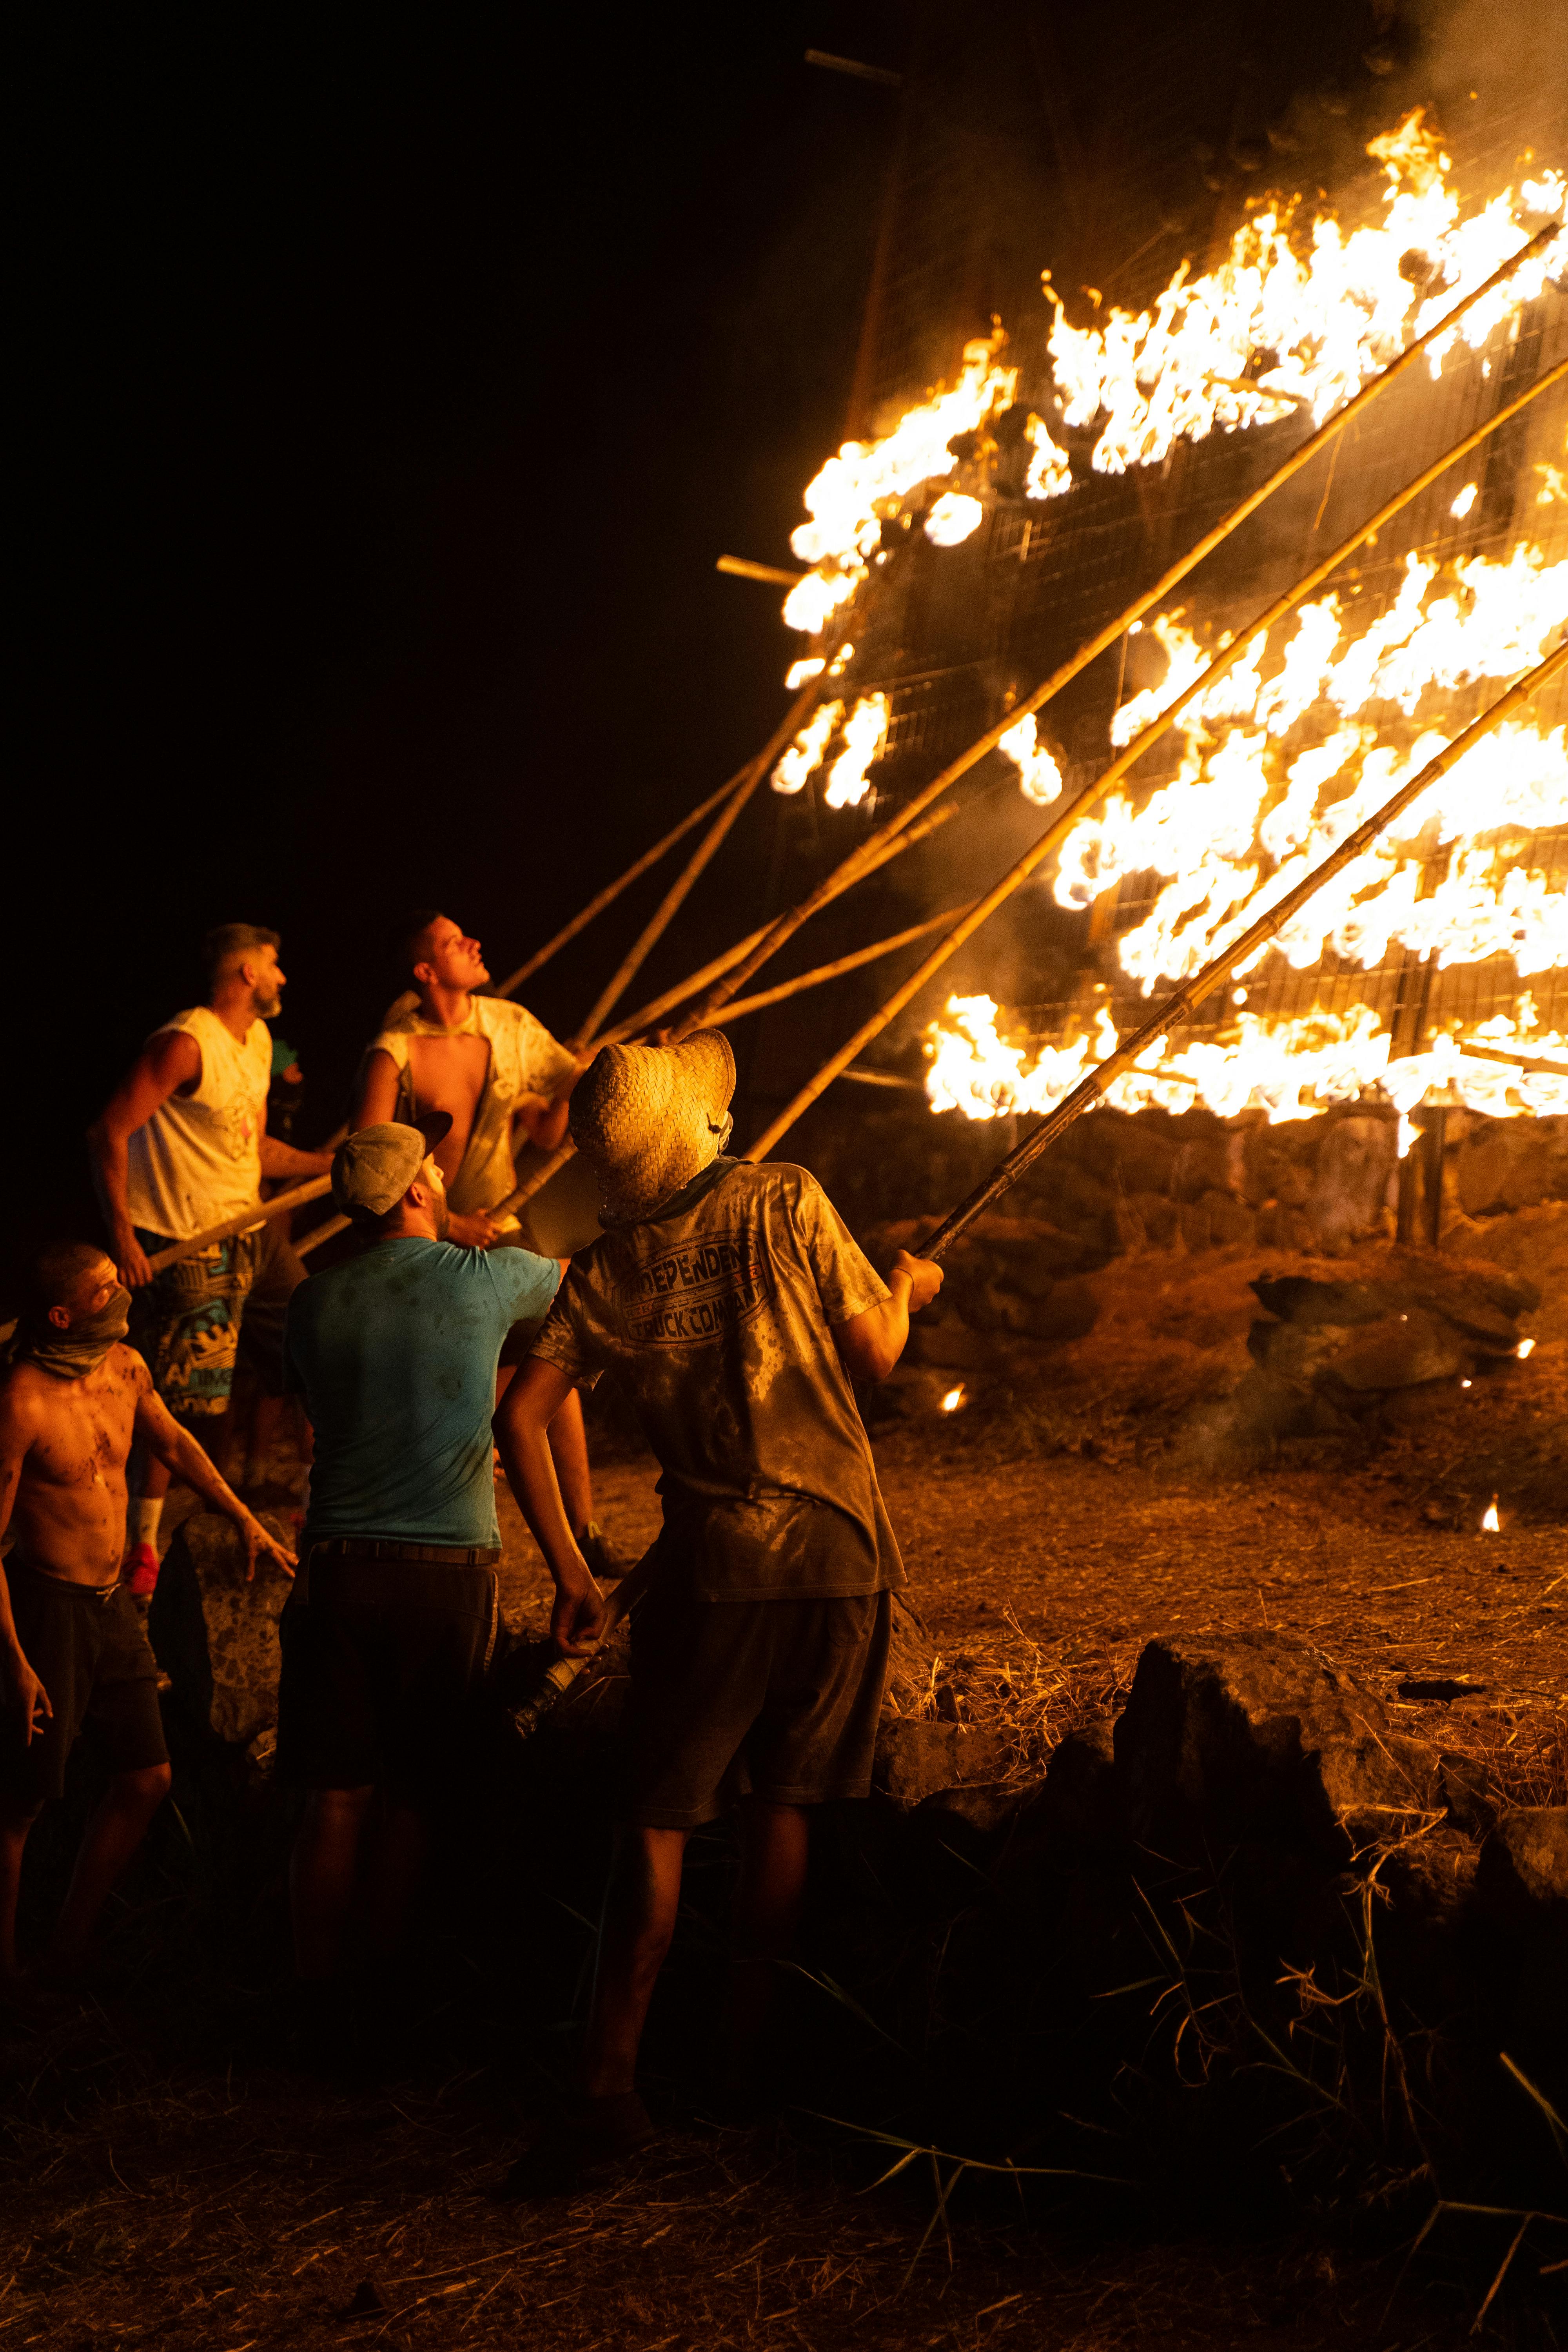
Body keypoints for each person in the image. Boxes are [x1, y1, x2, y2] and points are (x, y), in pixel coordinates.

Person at [493, 1031, 943, 2190]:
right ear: (699, 1124)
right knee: (784, 1809)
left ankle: (610, 2084)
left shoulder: (609, 1267)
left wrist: (574, 1576)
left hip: (710, 1572)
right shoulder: (784, 1200)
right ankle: (741, 2074)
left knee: (661, 1821)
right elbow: (877, 1357)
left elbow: (519, 1419)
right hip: (836, 1555)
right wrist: (908, 1286)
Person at [276, 1114, 562, 2067]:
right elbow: (585, 1291)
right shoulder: (488, 1279)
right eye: (433, 1169)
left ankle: (313, 2002)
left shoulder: (315, 1304)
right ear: (414, 1192)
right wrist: (490, 1243)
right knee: (414, 1796)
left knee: (337, 1797)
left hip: (337, 1567)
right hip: (443, 1570)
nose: (442, 1174)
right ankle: (385, 1996)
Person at [1, 1242, 295, 2000]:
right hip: (47, 1607)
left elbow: (174, 1441)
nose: (123, 1291)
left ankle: (70, 1944)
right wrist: (14, 1658)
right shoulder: (22, 1400)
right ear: (63, 1315)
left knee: (148, 1776)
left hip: (112, 1606)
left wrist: (242, 1518)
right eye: (105, 1288)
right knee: (20, 1805)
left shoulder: (127, 1365)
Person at [351, 909, 618, 1580]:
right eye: (452, 941)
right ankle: (449, 1547)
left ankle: (585, 1533)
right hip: (420, 1235)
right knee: (463, 1387)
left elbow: (555, 1129)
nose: (473, 941)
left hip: (503, 1223)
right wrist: (443, 1226)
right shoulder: (394, 1050)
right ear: (426, 970)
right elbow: (368, 1167)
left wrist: (596, 1073)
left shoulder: (511, 1025)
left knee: (559, 1359)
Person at [86, 924, 334, 1596]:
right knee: (176, 1404)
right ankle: (140, 1549)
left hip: (251, 1230)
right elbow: (109, 1131)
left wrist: (330, 1165)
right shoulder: (185, 1043)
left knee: (325, 1348)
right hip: (186, 1240)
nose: (283, 978)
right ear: (248, 973)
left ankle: (324, 1517)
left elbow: (255, 1152)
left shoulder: (255, 1043)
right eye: (275, 966)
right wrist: (126, 1240)